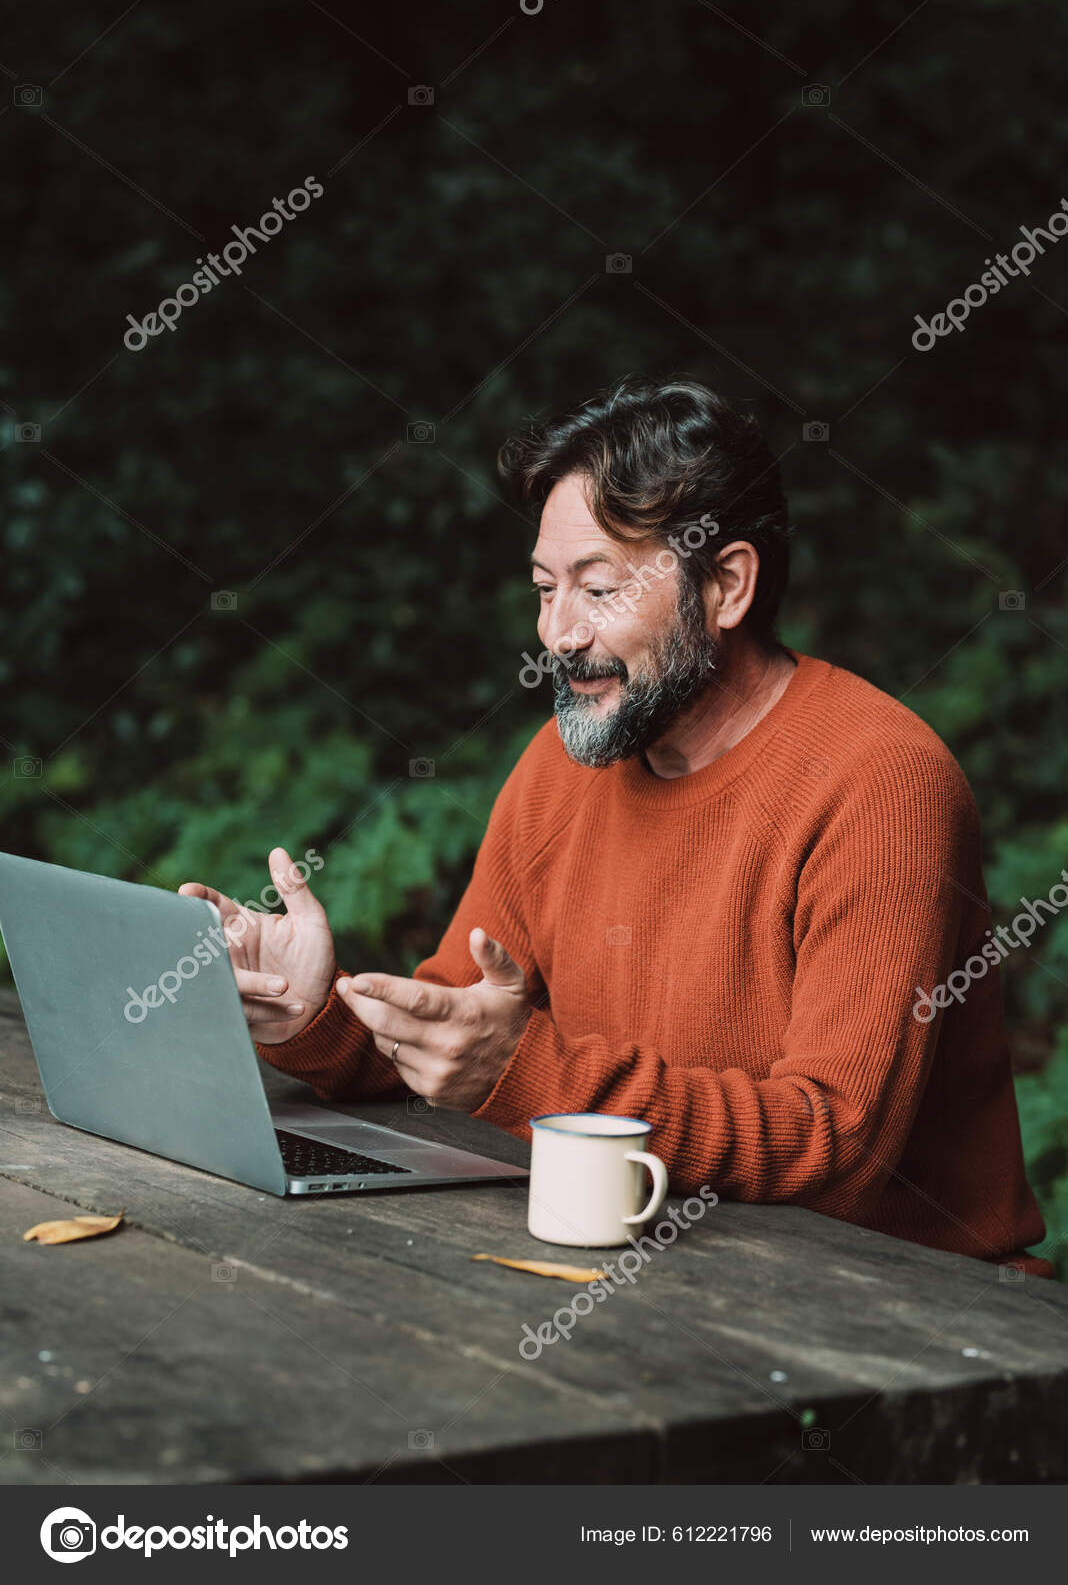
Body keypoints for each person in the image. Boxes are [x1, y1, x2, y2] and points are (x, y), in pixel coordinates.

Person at [180, 376, 1055, 1278]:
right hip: (663, 1277)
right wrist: (316, 1012)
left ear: (727, 586)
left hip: (913, 1320)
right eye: (543, 587)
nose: (556, 632)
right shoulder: (562, 766)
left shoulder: (881, 782)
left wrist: (527, 1072)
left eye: (597, 589)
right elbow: (462, 1032)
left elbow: (833, 1144)